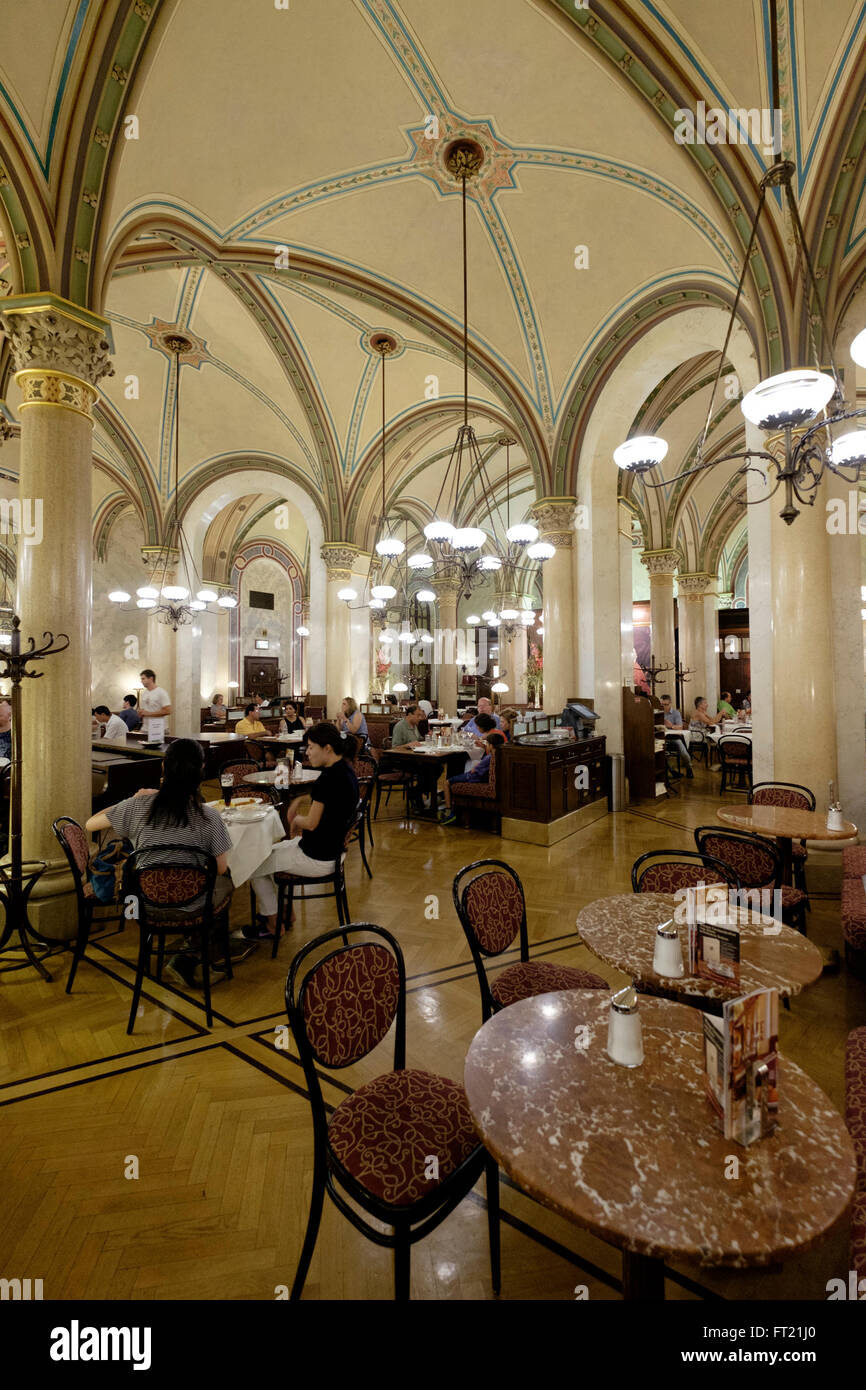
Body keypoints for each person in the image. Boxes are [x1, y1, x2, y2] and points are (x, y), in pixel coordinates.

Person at [85, 739, 236, 989]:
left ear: (164, 766)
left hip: (141, 906)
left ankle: (184, 953)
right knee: (226, 881)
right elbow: (220, 869)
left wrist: (131, 800)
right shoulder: (210, 816)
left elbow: (91, 824)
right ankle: (193, 954)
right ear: (201, 770)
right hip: (192, 907)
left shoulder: (138, 806)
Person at [248, 724, 360, 935]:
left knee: (252, 865)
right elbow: (327, 801)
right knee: (266, 856)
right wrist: (302, 798)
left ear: (327, 748)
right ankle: (285, 912)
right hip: (333, 852)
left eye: (310, 747)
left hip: (318, 856)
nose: (307, 753)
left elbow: (310, 823)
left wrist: (295, 820)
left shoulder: (327, 779)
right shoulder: (346, 771)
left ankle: (273, 923)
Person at [440, 731, 505, 824]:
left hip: (474, 777)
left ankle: (449, 812)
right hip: (484, 778)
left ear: (490, 745)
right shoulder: (500, 755)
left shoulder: (489, 758)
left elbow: (474, 770)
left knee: (447, 783)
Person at [660, 693, 693, 779]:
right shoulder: (659, 713)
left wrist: (671, 726)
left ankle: (689, 768)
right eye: (662, 704)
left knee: (682, 750)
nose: (664, 707)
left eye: (666, 704)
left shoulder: (675, 713)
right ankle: (671, 770)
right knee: (658, 751)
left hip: (674, 737)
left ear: (670, 703)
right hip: (663, 737)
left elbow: (680, 727)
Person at [139, 669, 171, 742]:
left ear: (151, 678)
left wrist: (149, 713)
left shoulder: (161, 692)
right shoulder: (144, 693)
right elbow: (144, 710)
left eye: (143, 679)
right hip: (145, 728)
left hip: (159, 728)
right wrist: (140, 713)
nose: (141, 681)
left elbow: (168, 711)